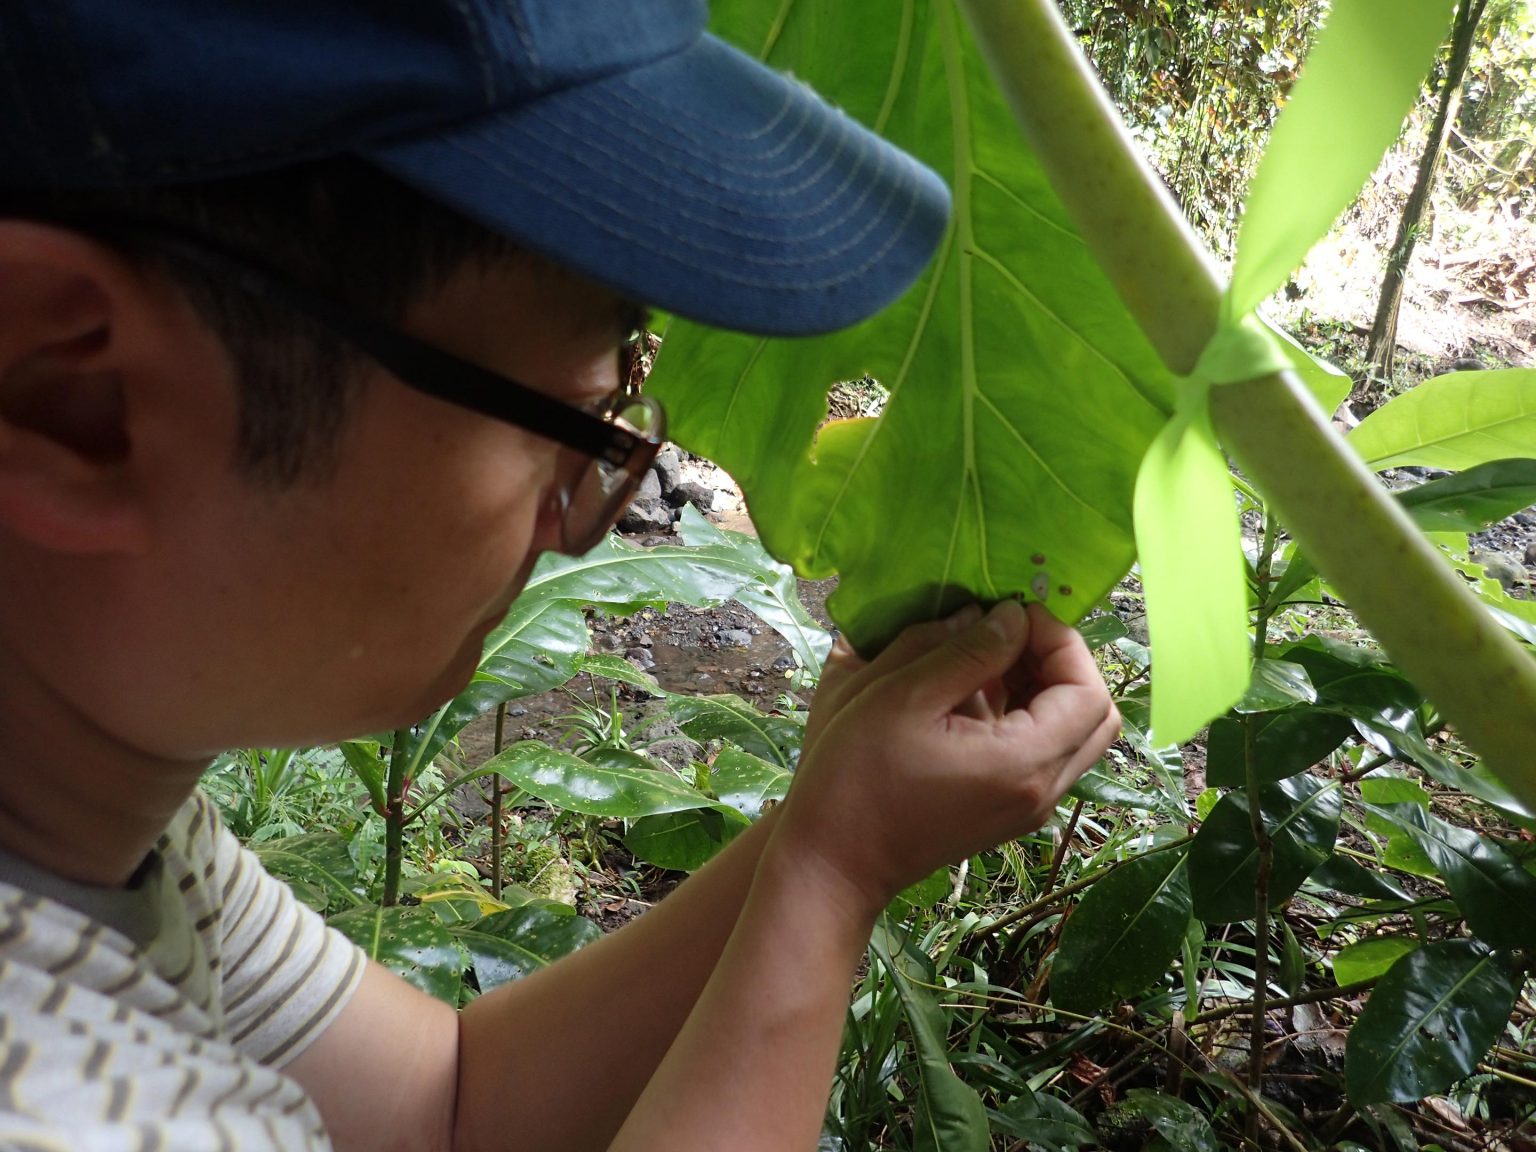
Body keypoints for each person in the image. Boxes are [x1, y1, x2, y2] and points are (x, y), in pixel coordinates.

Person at [0, 1, 1121, 1148]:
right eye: (580, 421)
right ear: (76, 398)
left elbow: (447, 1107)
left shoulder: (85, 828)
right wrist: (832, 881)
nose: (587, 518)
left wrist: (821, 821)